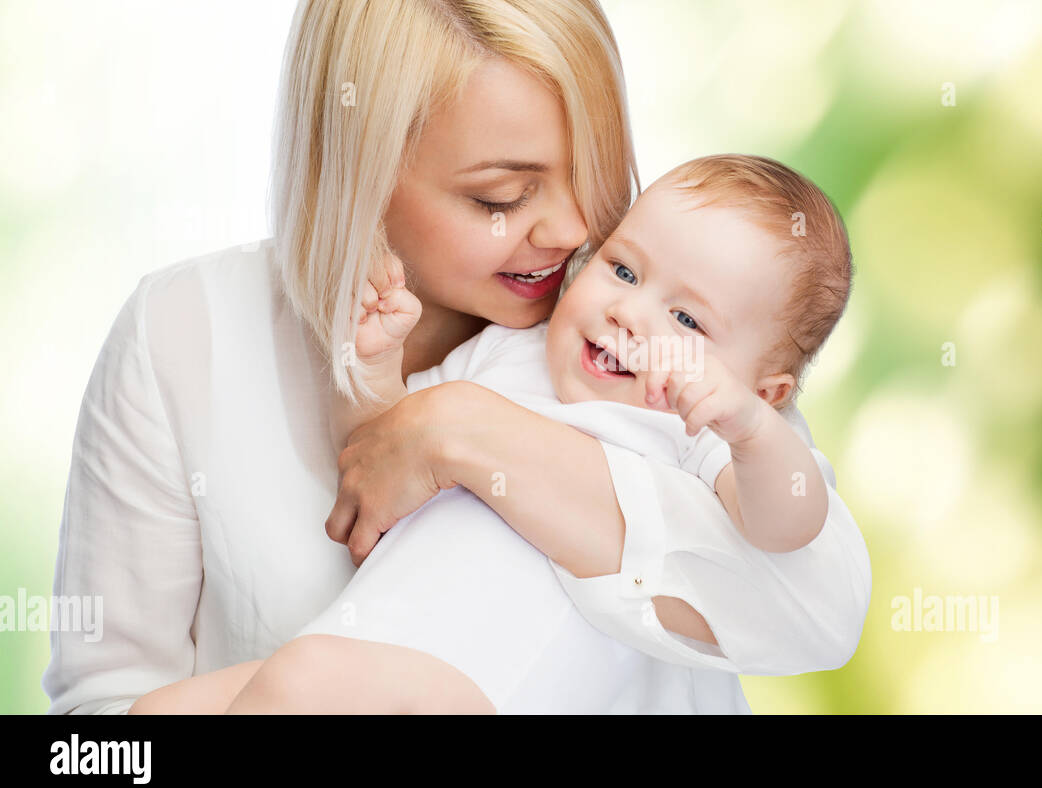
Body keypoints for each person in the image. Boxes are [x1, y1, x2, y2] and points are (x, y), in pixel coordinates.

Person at [45, 0, 870, 716]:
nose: (574, 231)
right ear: (357, 168)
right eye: (500, 199)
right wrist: (379, 379)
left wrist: (468, 434)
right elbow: (375, 460)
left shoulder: (693, 380)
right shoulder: (185, 333)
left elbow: (814, 601)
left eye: (592, 172)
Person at [130, 154, 856, 714]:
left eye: (688, 320)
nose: (632, 314)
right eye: (625, 269)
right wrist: (374, 367)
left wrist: (753, 430)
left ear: (768, 391)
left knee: (304, 679)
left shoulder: (696, 435)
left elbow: (786, 527)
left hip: (473, 681)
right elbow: (380, 457)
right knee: (156, 714)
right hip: (372, 638)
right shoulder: (510, 355)